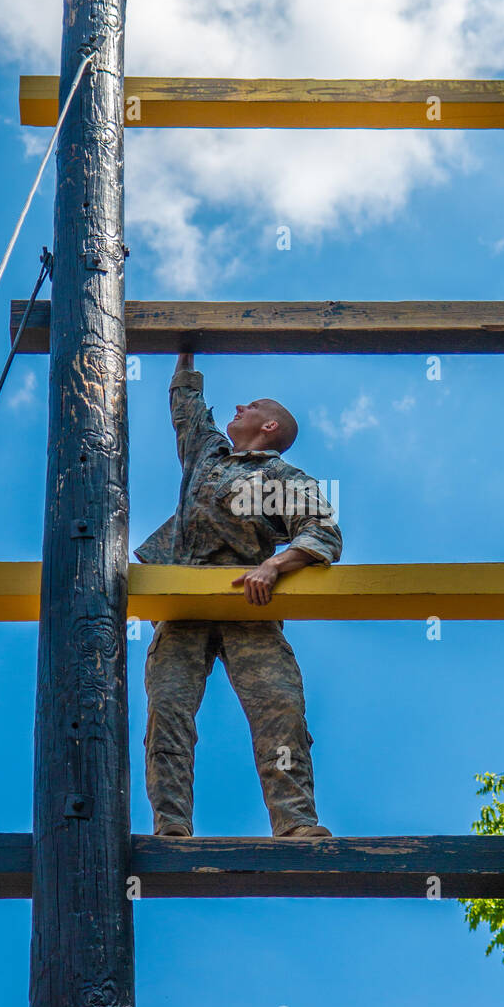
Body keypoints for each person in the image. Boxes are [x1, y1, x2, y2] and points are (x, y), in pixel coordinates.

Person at [134, 352, 342, 839]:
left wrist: (274, 565)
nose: (239, 406)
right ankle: (171, 825)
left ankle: (295, 822)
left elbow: (323, 531)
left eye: (250, 406)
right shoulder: (207, 452)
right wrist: (186, 346)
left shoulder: (279, 477)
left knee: (280, 708)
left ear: (269, 426)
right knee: (167, 710)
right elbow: (187, 406)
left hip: (249, 601)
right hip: (182, 597)